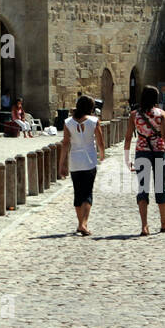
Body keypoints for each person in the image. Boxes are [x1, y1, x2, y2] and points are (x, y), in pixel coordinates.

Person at [123, 85, 165, 235]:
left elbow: (128, 137)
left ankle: (144, 226)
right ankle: (163, 222)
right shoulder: (161, 114)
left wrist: (127, 159)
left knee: (142, 189)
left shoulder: (134, 115)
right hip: (159, 152)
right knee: (160, 188)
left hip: (142, 152)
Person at [61, 96, 104, 235]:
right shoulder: (94, 121)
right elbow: (100, 140)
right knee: (87, 193)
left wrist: (62, 163)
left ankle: (80, 223)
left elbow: (65, 143)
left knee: (78, 193)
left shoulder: (68, 122)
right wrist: (102, 153)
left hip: (75, 160)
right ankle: (84, 224)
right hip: (89, 160)